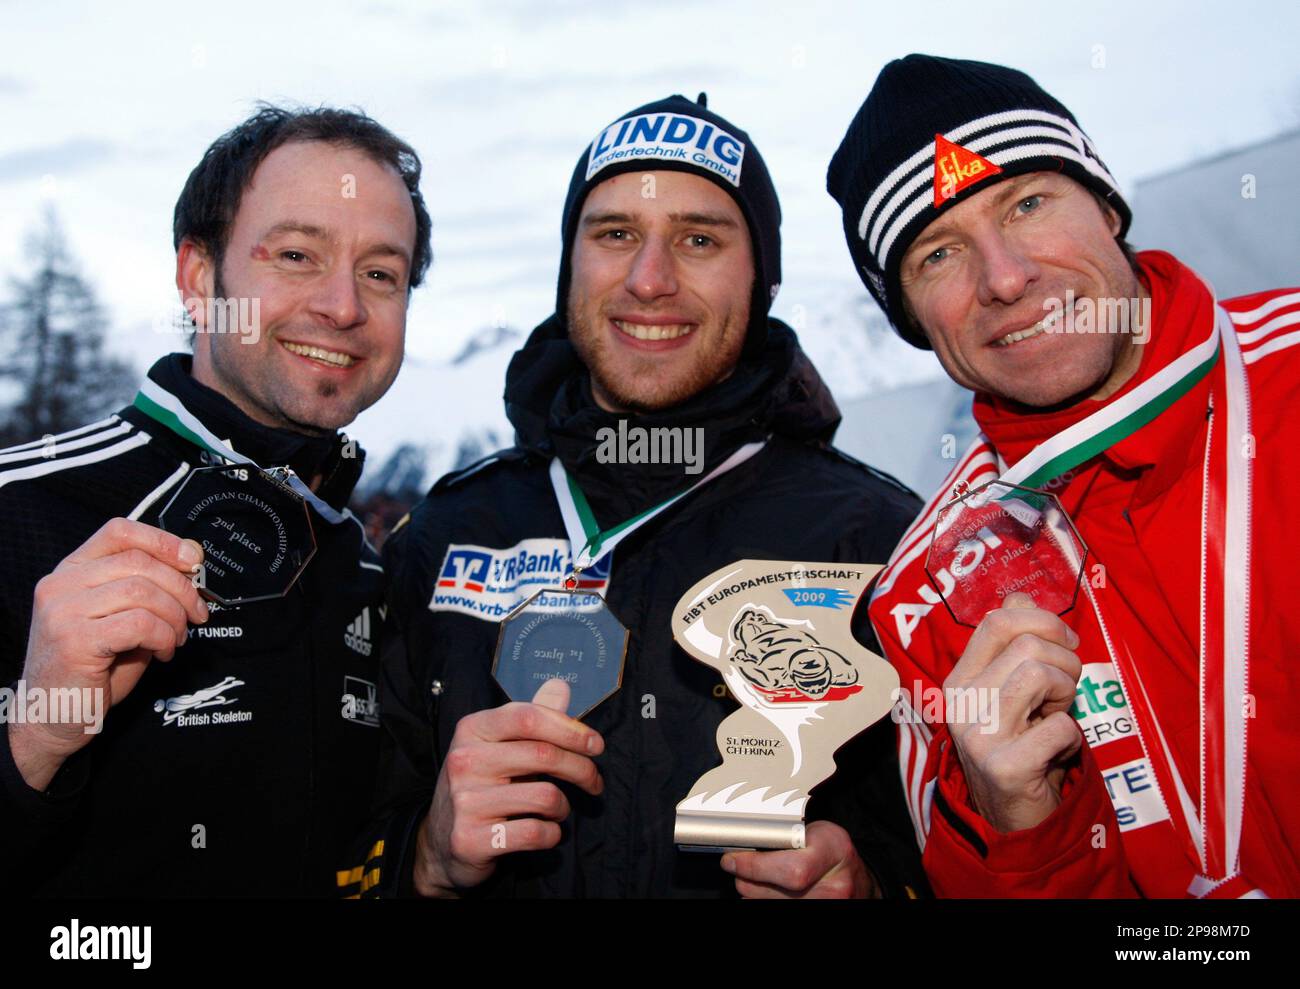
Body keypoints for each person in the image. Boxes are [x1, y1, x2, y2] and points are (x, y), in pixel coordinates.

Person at [354, 93, 926, 898]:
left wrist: (875, 888)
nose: (650, 280)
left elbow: (984, 846)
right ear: (570, 266)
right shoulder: (446, 533)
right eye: (616, 234)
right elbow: (330, 845)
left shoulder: (883, 543)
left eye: (699, 239)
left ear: (760, 278)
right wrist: (423, 861)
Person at [826, 54, 1300, 897]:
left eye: (1029, 203)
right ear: (912, 322)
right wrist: (1019, 827)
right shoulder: (923, 596)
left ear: (1107, 206)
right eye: (938, 253)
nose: (1006, 277)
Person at [0, 105, 432, 896]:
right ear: (199, 278)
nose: (343, 306)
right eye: (297, 254)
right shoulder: (22, 509)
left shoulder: (367, 567)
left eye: (381, 272)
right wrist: (32, 737)